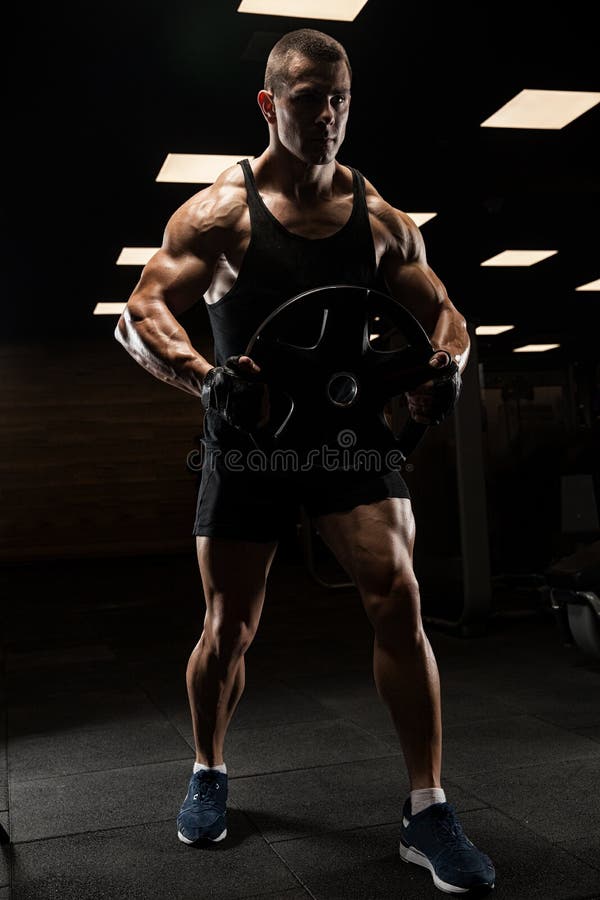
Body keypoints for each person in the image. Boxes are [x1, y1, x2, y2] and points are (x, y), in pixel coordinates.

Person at [114, 27, 495, 895]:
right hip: (247, 444)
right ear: (269, 104)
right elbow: (142, 313)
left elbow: (446, 317)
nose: (327, 116)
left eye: (340, 99)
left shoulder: (383, 220)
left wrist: (447, 372)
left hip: (347, 438)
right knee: (230, 628)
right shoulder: (220, 212)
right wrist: (208, 382)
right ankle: (208, 769)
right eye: (308, 99)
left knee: (400, 597)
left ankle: (427, 809)